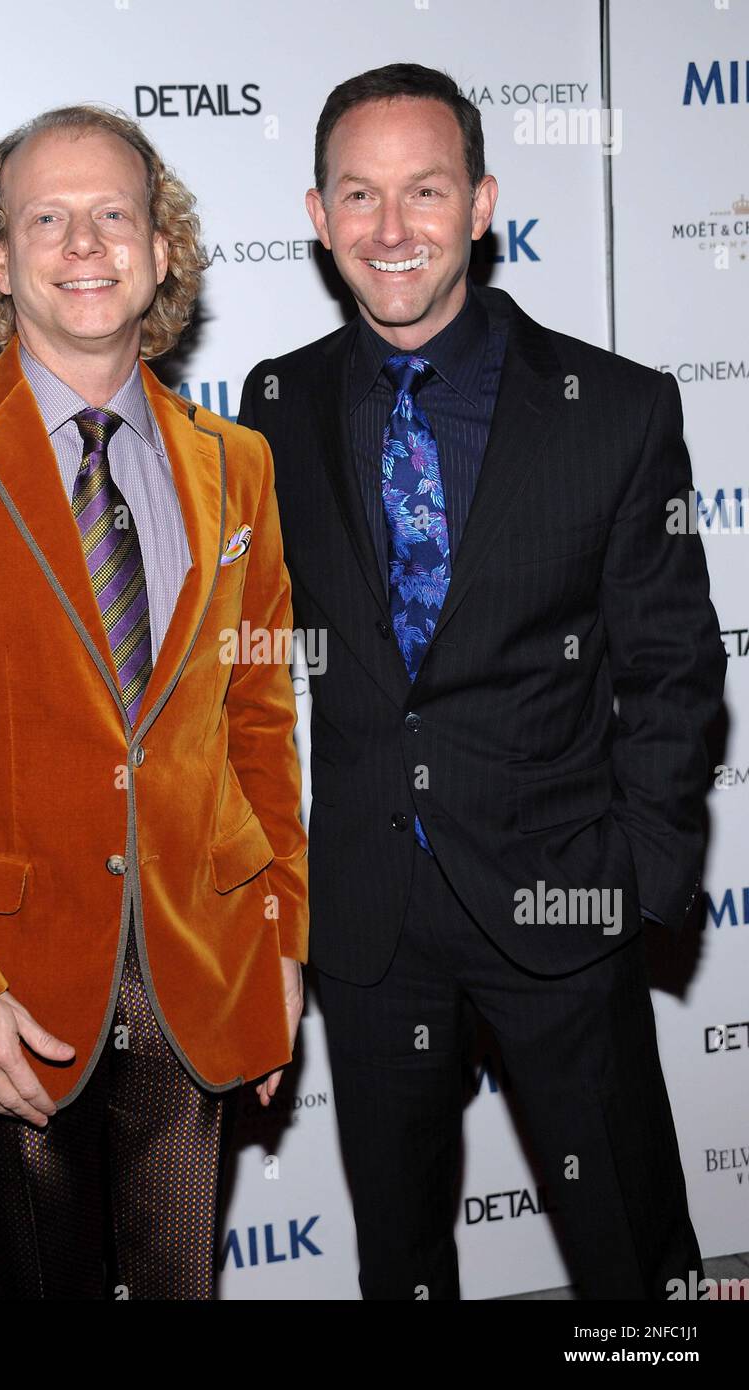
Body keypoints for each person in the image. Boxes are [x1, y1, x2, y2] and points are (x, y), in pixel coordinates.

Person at [239, 63, 726, 1300]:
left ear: (481, 205)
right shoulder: (273, 407)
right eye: (359, 194)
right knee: (400, 1260)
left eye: (423, 190)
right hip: (366, 920)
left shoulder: (612, 409)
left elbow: (674, 666)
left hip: (561, 905)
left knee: (631, 1258)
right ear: (316, 215)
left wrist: (637, 879)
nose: (390, 228)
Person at [0, 104, 307, 1300]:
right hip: (10, 986)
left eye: (113, 215)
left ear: (161, 248)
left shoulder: (236, 462)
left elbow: (260, 713)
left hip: (198, 964)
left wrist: (283, 935)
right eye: (47, 217)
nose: (83, 243)